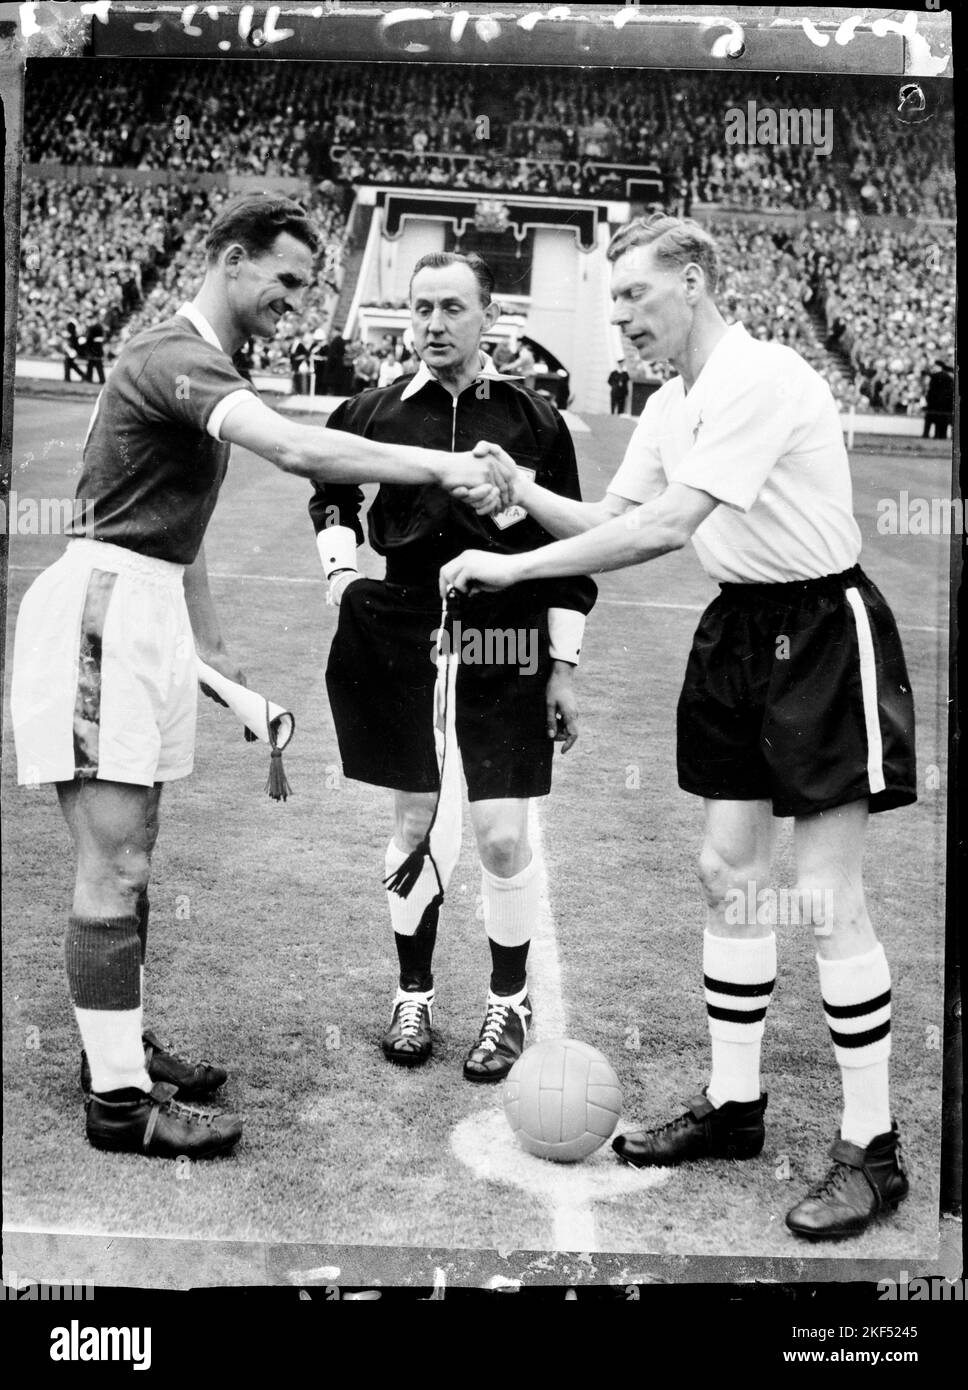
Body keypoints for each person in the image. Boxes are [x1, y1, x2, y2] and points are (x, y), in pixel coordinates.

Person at [442, 214, 917, 1240]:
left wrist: (508, 564)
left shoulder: (760, 376)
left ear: (693, 281)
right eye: (610, 303)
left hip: (819, 628)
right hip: (737, 632)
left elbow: (662, 530)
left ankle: (870, 1149)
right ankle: (735, 1107)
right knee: (725, 870)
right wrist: (523, 492)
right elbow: (608, 519)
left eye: (634, 299)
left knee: (824, 893)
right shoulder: (669, 403)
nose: (620, 322)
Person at [10, 195, 513, 1162]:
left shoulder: (201, 364)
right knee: (112, 863)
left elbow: (171, 523)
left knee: (136, 853)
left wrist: (214, 644)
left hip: (142, 608)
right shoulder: (174, 354)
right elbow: (296, 447)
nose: (295, 302)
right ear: (233, 262)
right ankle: (118, 1102)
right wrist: (443, 467)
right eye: (284, 281)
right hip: (102, 612)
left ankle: (114, 1048)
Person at [308, 250, 596, 1082]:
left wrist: (564, 665)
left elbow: (570, 546)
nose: (432, 325)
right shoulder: (370, 410)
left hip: (506, 638)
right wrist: (338, 570)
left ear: (488, 318)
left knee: (503, 836)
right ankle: (414, 995)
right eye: (420, 308)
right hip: (402, 631)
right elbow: (330, 490)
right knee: (414, 820)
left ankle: (508, 1004)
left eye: (451, 309)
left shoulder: (535, 421)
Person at [922, 359, 953, 440]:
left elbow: (931, 392)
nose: (933, 368)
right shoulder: (948, 377)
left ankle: (927, 436)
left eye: (934, 366)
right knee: (942, 425)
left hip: (934, 405)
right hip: (945, 406)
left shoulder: (934, 377)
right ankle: (940, 436)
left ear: (938, 367)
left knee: (930, 422)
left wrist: (928, 401)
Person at [61, 318, 86, 383]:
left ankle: (67, 378)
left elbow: (72, 344)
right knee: (71, 364)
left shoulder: (72, 336)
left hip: (72, 352)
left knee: (67, 363)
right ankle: (82, 375)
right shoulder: (73, 335)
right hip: (72, 352)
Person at [84, 317, 106, 384]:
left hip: (93, 349)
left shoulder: (92, 328)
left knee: (91, 365)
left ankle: (89, 379)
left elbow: (89, 338)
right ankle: (102, 380)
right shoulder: (100, 327)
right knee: (99, 365)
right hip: (99, 348)